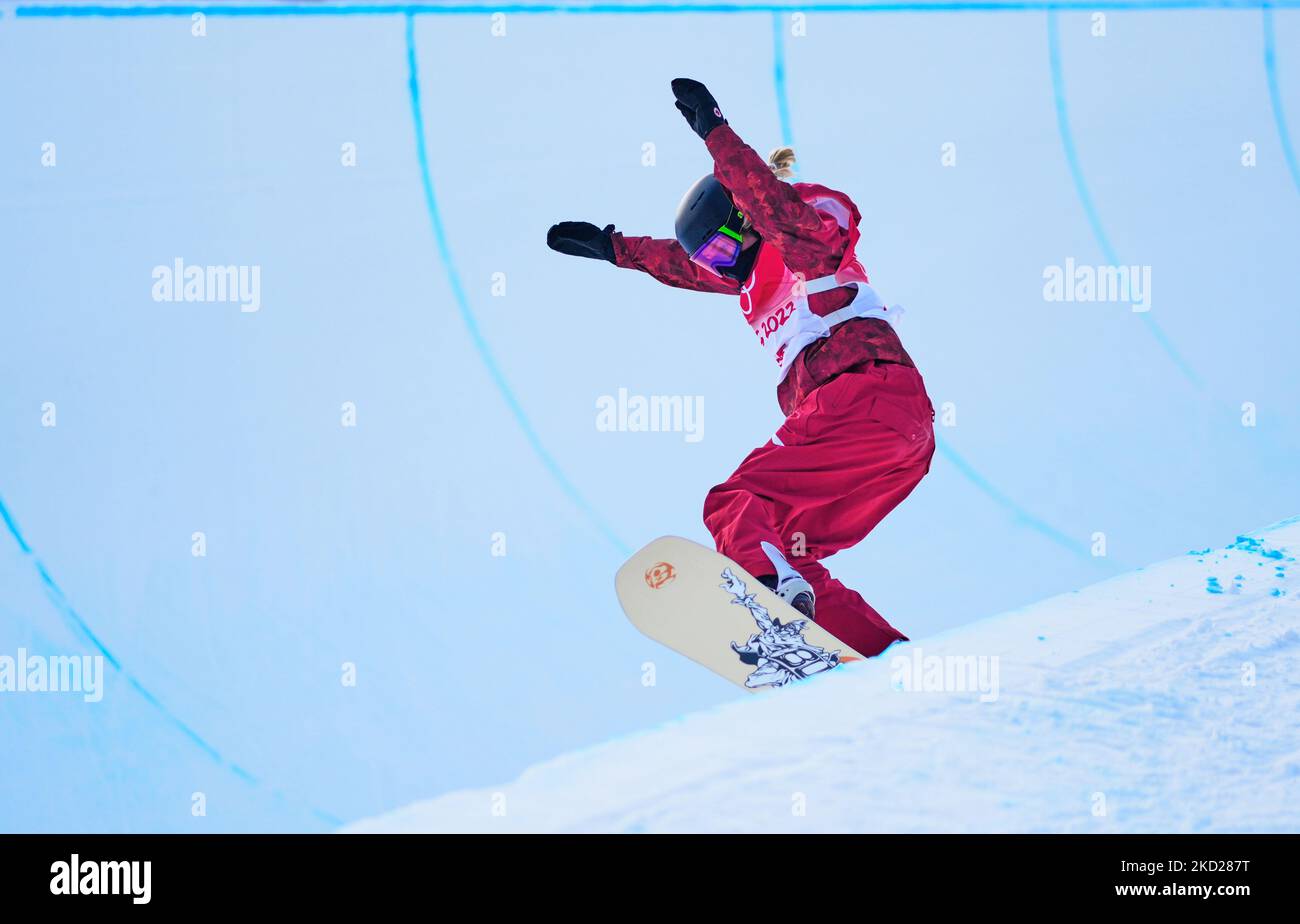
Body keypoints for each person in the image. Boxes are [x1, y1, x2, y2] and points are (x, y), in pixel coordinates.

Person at [547, 78, 934, 657]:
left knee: (734, 502)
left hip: (863, 398)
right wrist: (615, 249)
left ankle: (770, 588)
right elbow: (679, 264)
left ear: (745, 220)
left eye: (724, 248)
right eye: (713, 260)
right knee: (788, 542)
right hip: (894, 441)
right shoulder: (749, 273)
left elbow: (777, 211)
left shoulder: (807, 235)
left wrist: (716, 134)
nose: (723, 267)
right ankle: (872, 655)